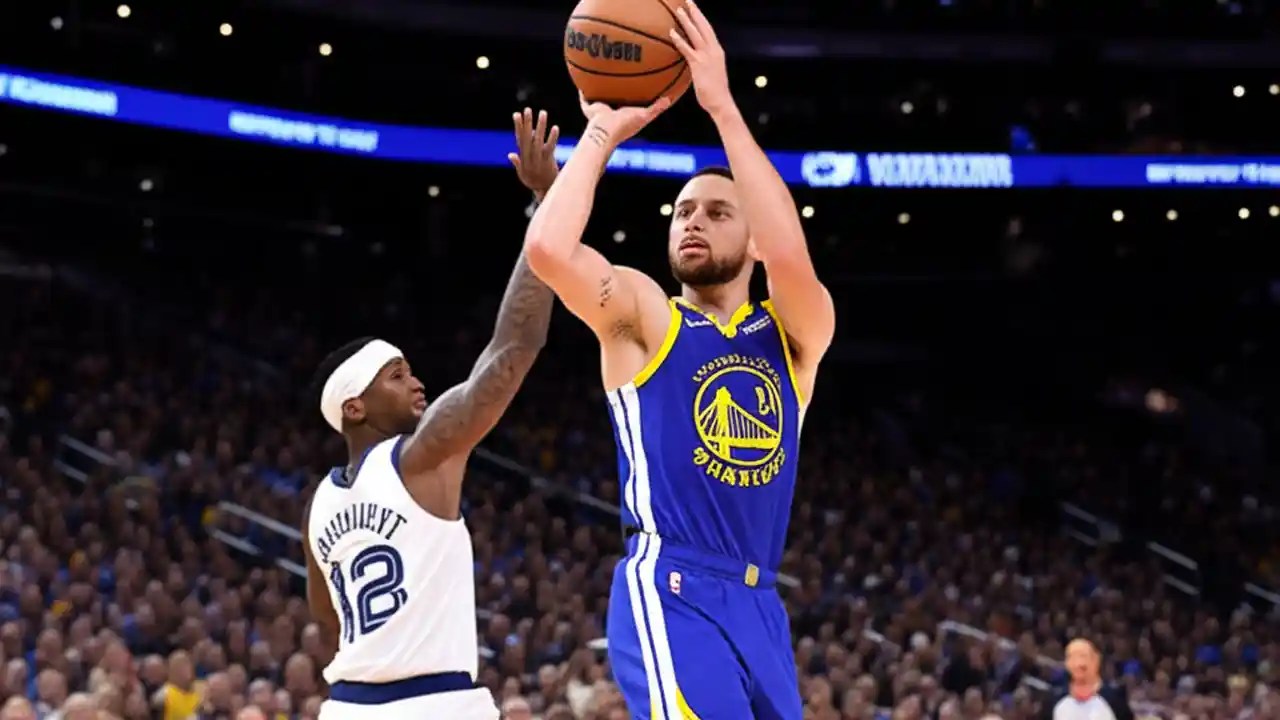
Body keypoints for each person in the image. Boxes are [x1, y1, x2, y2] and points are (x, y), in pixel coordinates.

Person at [523, 2, 835, 717]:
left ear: (753, 241)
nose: (692, 220)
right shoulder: (645, 316)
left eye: (717, 212)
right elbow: (548, 251)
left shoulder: (794, 335)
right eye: (683, 212)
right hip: (674, 587)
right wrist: (601, 130)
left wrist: (722, 106)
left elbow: (790, 253)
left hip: (761, 604)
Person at [301, 108, 561, 720]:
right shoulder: (418, 456)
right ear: (354, 406)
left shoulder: (318, 502)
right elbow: (514, 348)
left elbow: (324, 618)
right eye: (397, 375)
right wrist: (548, 203)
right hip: (436, 702)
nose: (417, 383)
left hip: (347, 706)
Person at [1040, 639, 1134, 720]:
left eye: (1084, 656)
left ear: (1096, 660)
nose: (1079, 663)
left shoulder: (1115, 700)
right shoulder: (1053, 702)